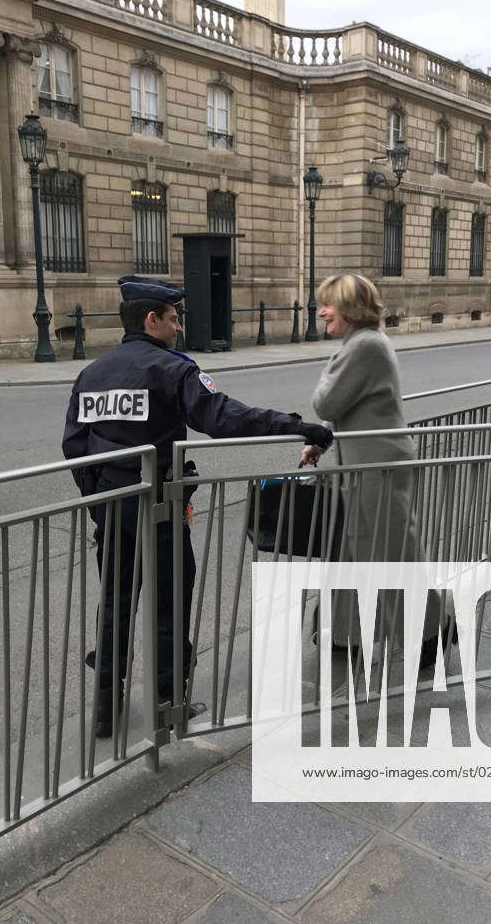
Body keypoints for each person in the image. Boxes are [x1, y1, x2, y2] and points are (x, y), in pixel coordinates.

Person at [62, 275, 333, 737]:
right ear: (152, 320)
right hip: (161, 506)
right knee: (168, 602)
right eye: (173, 318)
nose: (179, 327)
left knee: (116, 601)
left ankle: (107, 706)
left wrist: (99, 504)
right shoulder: (173, 369)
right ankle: (169, 699)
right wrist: (297, 426)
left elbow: (74, 446)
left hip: (113, 504)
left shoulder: (93, 373)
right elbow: (223, 417)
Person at [304, 272, 442, 657]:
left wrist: (327, 381)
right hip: (367, 464)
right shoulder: (360, 343)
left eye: (328, 304)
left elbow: (326, 402)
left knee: (388, 553)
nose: (321, 311)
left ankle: (429, 634)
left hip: (378, 467)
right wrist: (323, 441)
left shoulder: (364, 345)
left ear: (350, 308)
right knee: (354, 550)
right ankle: (344, 635)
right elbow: (351, 407)